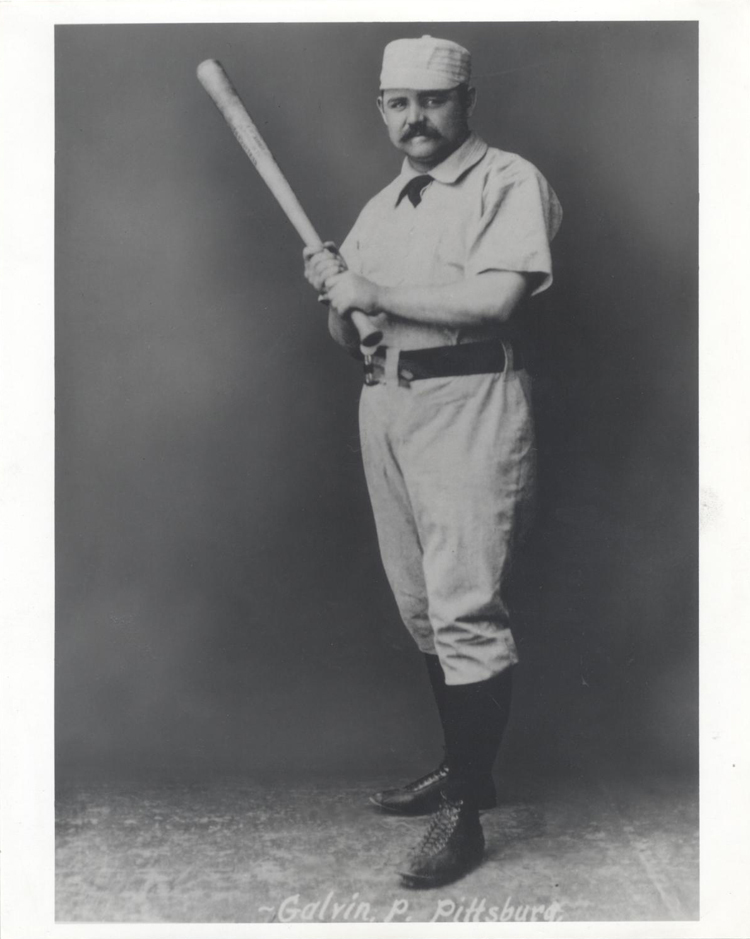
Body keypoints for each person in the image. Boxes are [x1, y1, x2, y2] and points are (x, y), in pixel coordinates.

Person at [303, 35, 562, 888]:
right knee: (421, 602)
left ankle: (467, 817)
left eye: (432, 100)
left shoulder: (507, 181)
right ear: (382, 107)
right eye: (397, 101)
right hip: (387, 403)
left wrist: (371, 292)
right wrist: (338, 296)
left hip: (469, 402)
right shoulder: (384, 206)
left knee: (464, 605)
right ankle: (464, 768)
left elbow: (495, 298)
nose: (414, 117)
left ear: (467, 102)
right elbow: (359, 336)